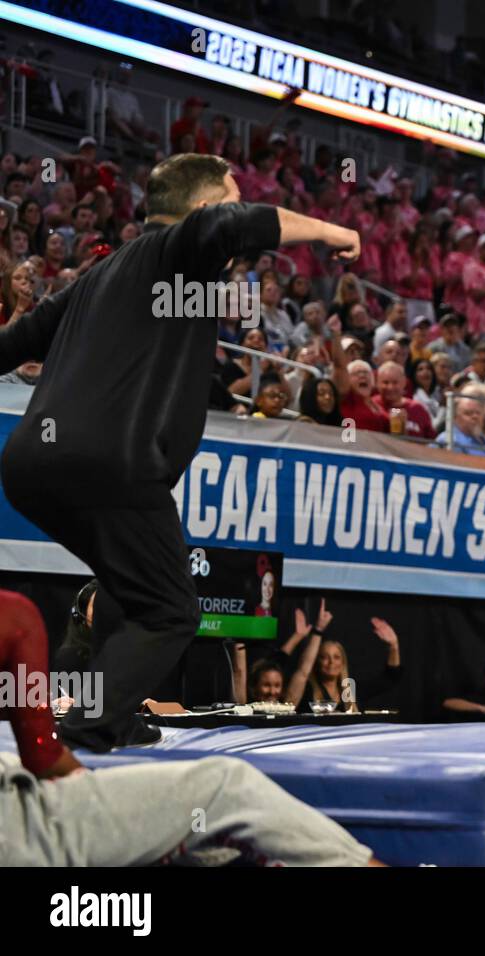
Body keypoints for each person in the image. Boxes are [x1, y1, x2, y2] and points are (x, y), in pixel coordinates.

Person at [0, 153, 361, 752]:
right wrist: (332, 231)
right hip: (108, 465)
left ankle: (107, 711)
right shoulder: (176, 250)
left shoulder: (104, 275)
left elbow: (14, 342)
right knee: (171, 610)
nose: (241, 206)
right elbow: (231, 226)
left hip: (32, 467)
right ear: (204, 209)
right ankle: (89, 725)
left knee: (129, 587)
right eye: (233, 195)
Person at [0, 588, 382, 865]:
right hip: (20, 825)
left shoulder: (19, 622)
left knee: (211, 846)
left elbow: (42, 739)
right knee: (227, 786)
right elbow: (44, 752)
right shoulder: (17, 620)